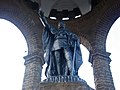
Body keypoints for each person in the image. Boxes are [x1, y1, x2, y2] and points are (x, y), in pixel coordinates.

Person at [38, 10, 83, 77]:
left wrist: (76, 39)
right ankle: (59, 76)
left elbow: (75, 38)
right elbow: (47, 25)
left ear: (64, 26)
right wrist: (42, 18)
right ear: (58, 26)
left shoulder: (68, 33)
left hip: (66, 46)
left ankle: (72, 73)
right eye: (59, 24)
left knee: (69, 58)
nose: (61, 25)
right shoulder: (55, 31)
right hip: (56, 46)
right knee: (57, 62)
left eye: (62, 24)